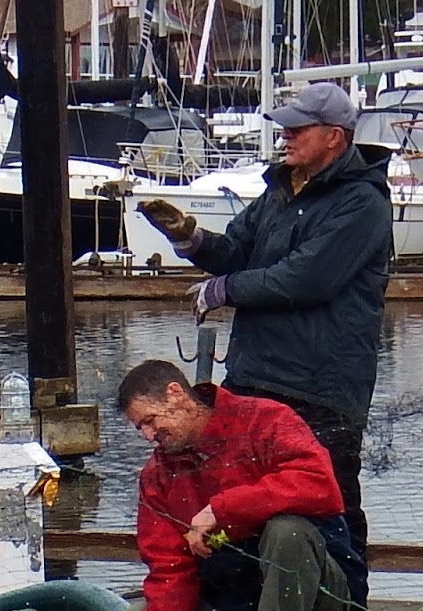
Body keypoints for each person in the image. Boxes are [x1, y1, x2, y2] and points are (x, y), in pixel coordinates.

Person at [134, 81, 392, 570]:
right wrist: (192, 239)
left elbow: (308, 277)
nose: (286, 136)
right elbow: (235, 251)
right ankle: (257, 595)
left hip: (320, 382)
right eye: (285, 127)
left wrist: (226, 289)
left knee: (328, 491)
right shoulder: (281, 189)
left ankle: (351, 602)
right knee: (243, 485)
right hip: (256, 372)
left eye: (297, 128)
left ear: (334, 136)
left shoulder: (363, 202)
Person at [100, 360, 369, 611]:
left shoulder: (265, 419)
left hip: (316, 601)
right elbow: (169, 566)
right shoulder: (157, 476)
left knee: (287, 530)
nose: (148, 436)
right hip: (237, 606)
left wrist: (222, 510)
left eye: (149, 421)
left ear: (175, 395)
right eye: (140, 429)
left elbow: (320, 486)